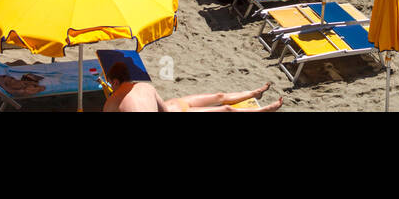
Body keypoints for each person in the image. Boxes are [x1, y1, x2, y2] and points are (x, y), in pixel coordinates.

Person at [103, 64, 281, 112]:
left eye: (111, 82)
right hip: (174, 107)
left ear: (116, 81)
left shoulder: (111, 103)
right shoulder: (144, 86)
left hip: (174, 106)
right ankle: (263, 110)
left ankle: (253, 93)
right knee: (226, 108)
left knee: (219, 96)